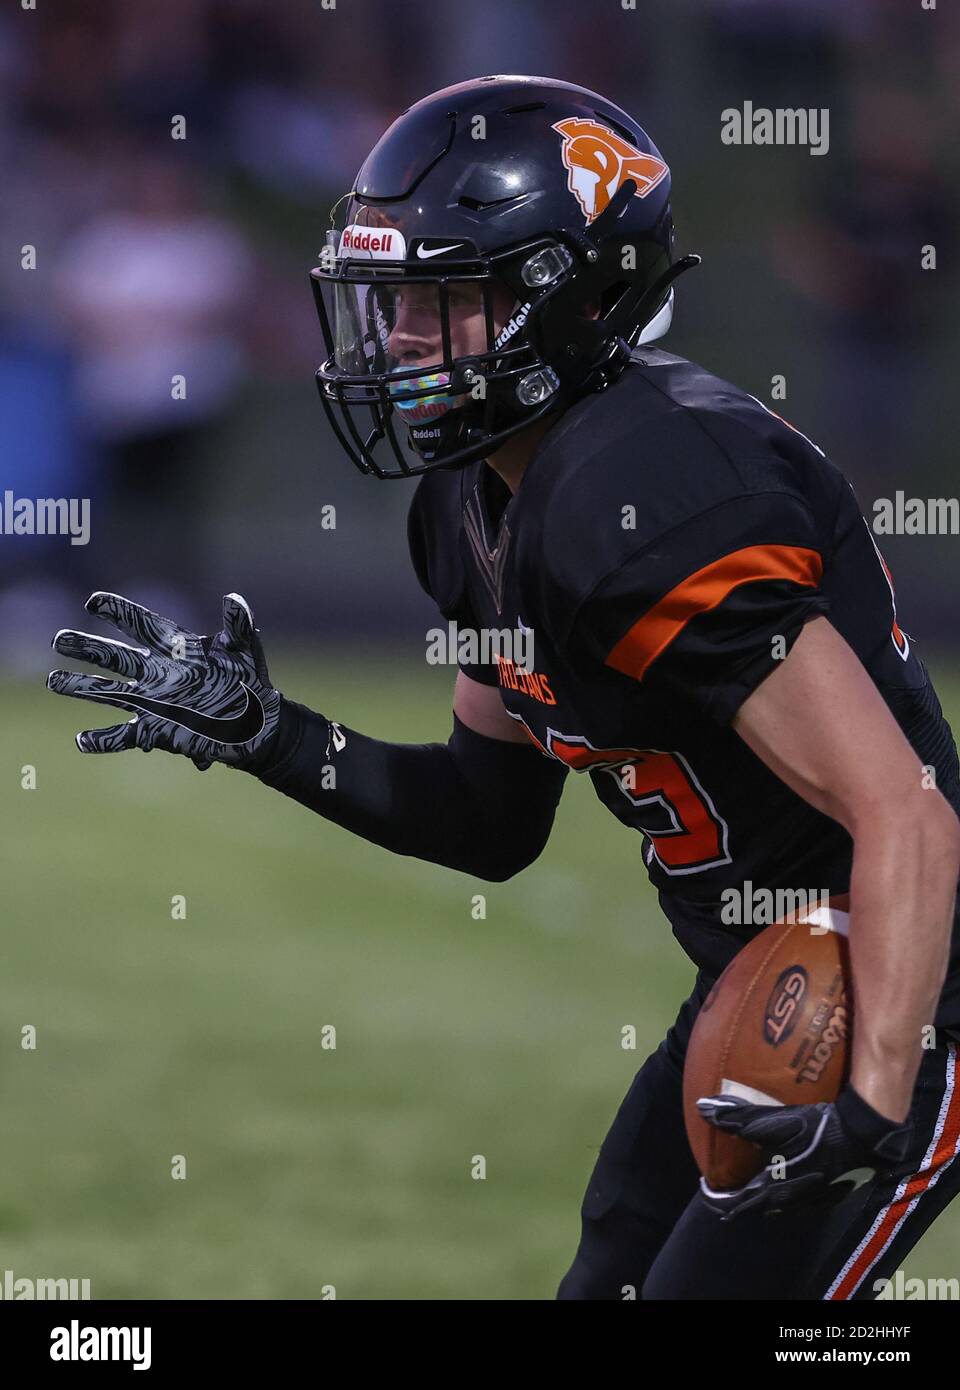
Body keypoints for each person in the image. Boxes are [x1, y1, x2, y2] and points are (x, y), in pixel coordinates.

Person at [47, 76, 960, 1299]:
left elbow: (907, 811)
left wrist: (878, 1097)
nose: (402, 338)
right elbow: (488, 817)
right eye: (394, 303)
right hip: (771, 972)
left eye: (444, 301)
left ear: (572, 300)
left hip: (907, 985)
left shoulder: (644, 500)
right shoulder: (473, 502)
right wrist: (274, 737)